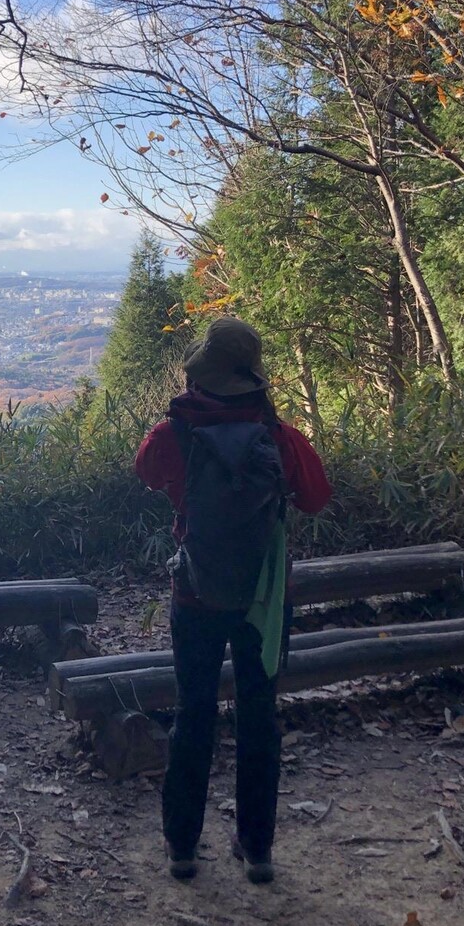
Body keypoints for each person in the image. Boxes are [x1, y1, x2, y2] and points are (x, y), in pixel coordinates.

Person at [135, 317, 331, 883]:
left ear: (202, 375)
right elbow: (316, 497)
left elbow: (147, 472)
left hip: (194, 593)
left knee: (193, 710)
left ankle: (182, 848)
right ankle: (258, 848)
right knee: (258, 712)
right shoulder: (278, 436)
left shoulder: (173, 435)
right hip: (263, 600)